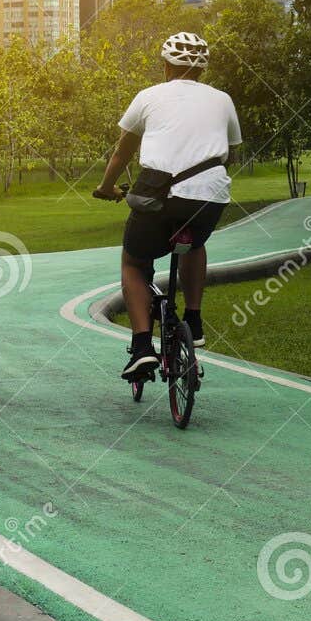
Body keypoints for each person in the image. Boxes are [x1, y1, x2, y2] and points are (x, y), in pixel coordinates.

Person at [93, 30, 242, 379]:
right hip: (210, 195)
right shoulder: (223, 99)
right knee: (196, 244)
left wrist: (105, 187)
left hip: (159, 195)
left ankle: (143, 346)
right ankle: (194, 317)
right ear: (202, 70)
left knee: (133, 261)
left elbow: (122, 150)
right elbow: (231, 151)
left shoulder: (148, 96)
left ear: (165, 65)